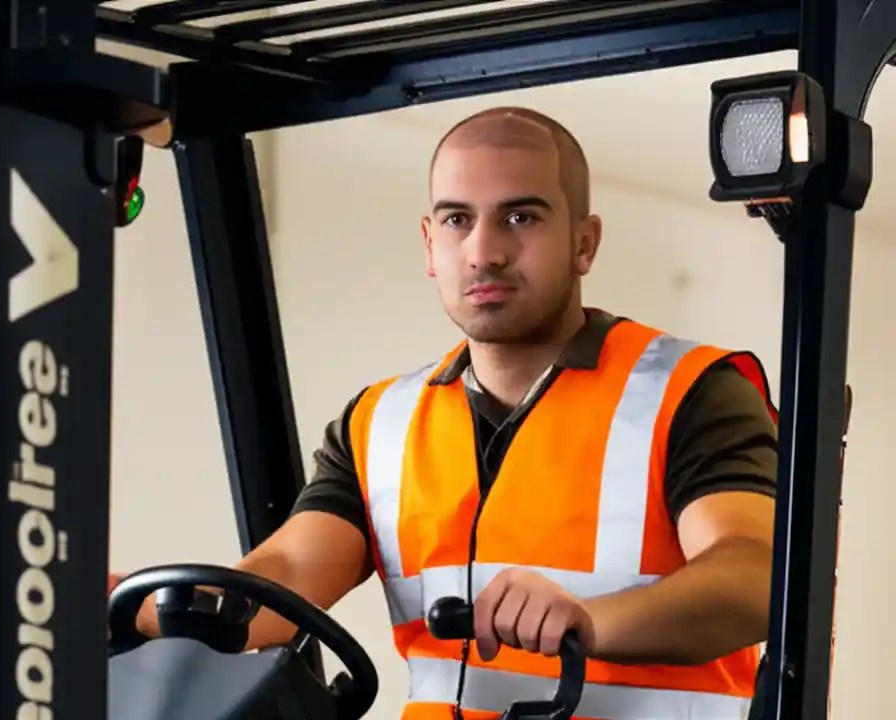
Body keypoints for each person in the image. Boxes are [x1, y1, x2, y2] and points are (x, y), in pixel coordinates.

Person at [111, 107, 779, 719]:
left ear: (584, 243)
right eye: (459, 220)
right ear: (431, 243)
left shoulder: (687, 392)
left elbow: (754, 576)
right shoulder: (381, 424)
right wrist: (133, 602)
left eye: (521, 217)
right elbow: (283, 583)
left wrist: (591, 621)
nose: (484, 251)